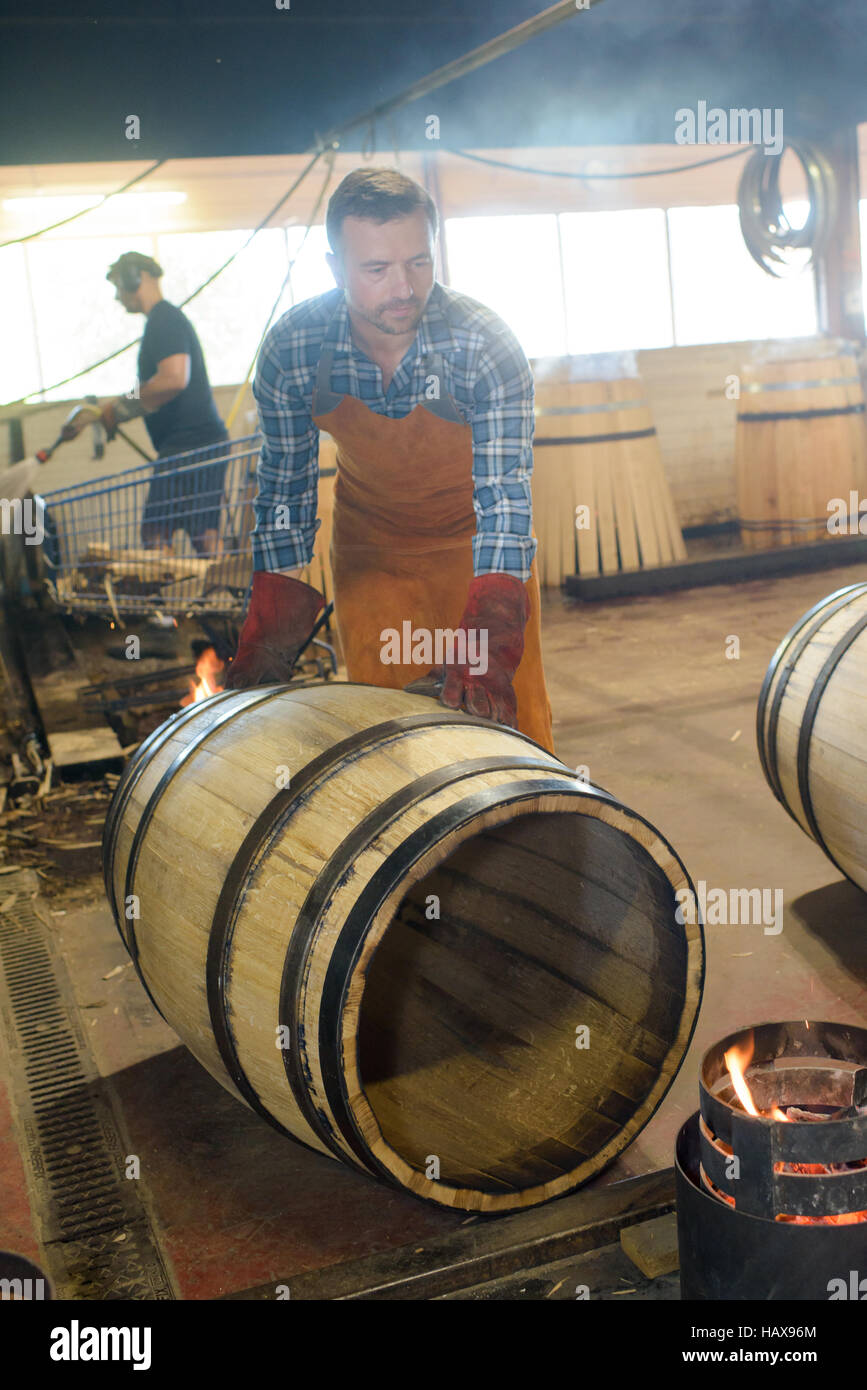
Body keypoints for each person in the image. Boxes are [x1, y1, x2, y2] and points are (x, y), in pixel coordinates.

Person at [226, 168, 554, 752]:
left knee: (509, 730)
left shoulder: (483, 344)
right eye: (376, 269)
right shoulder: (294, 349)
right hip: (372, 553)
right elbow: (284, 492)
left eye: (418, 263)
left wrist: (495, 625)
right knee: (389, 735)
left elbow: (505, 496)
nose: (403, 287)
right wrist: (271, 629)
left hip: (477, 552)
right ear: (335, 269)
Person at [95, 252, 229, 555]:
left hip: (189, 445)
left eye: (118, 286)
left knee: (157, 533)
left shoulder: (164, 320)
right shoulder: (163, 320)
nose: (117, 297)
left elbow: (172, 379)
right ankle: (237, 601)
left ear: (134, 277)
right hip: (198, 442)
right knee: (203, 535)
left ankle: (178, 604)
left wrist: (119, 407)